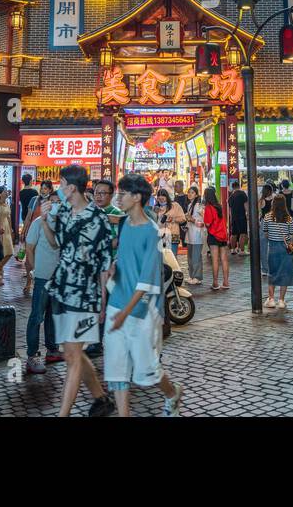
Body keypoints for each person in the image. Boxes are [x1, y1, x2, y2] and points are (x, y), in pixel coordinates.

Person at [105, 174, 184, 416]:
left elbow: (146, 281)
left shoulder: (152, 232)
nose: (118, 198)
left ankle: (172, 393)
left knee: (147, 370)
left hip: (142, 310)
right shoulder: (124, 224)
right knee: (117, 369)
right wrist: (114, 267)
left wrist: (125, 313)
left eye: (122, 194)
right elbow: (125, 258)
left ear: (137, 197)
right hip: (117, 302)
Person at [43, 164, 115, 417]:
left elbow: (105, 264)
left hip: (85, 295)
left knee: (72, 356)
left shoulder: (99, 219)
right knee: (71, 352)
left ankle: (63, 414)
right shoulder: (63, 212)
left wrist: (102, 303)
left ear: (72, 188)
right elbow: (55, 244)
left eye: (62, 184)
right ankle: (101, 399)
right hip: (61, 289)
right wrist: (45, 221)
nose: (59, 188)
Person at [23, 187, 61, 374]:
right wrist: (33, 270)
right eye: (52, 202)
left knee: (53, 315)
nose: (55, 205)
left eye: (59, 202)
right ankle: (32, 355)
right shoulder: (38, 223)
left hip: (59, 278)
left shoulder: (64, 223)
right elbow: (29, 248)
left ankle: (52, 350)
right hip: (42, 276)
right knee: (37, 316)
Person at [261, 193, 293, 308]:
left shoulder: (267, 217)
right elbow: (291, 236)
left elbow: (265, 233)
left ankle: (271, 299)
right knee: (284, 273)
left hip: (272, 248)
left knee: (272, 272)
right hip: (285, 249)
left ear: (273, 203)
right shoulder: (289, 219)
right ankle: (281, 300)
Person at [202, 187, 229, 290]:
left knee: (215, 259)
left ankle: (215, 282)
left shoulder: (208, 208)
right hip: (222, 235)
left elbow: (208, 223)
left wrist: (203, 220)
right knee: (224, 259)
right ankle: (226, 282)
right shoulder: (219, 206)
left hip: (213, 235)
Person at [0, 187, 14, 286]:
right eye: (5, 192)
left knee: (9, 253)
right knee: (0, 254)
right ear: (0, 194)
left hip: (7, 230)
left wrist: (11, 229)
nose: (7, 193)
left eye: (7, 191)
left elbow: (9, 218)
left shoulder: (7, 204)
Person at [184, 188, 205, 286]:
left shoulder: (199, 206)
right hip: (190, 234)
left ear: (196, 195)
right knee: (190, 257)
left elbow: (203, 222)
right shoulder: (189, 206)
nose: (189, 194)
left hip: (197, 235)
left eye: (192, 193)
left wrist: (192, 220)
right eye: (189, 192)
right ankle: (192, 276)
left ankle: (197, 277)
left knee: (196, 257)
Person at [228, 180, 249, 256]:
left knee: (234, 234)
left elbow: (230, 210)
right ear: (239, 186)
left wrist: (231, 219)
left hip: (234, 217)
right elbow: (246, 205)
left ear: (232, 187)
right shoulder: (243, 194)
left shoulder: (231, 197)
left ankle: (233, 250)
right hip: (242, 216)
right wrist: (248, 214)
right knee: (242, 234)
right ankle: (241, 250)